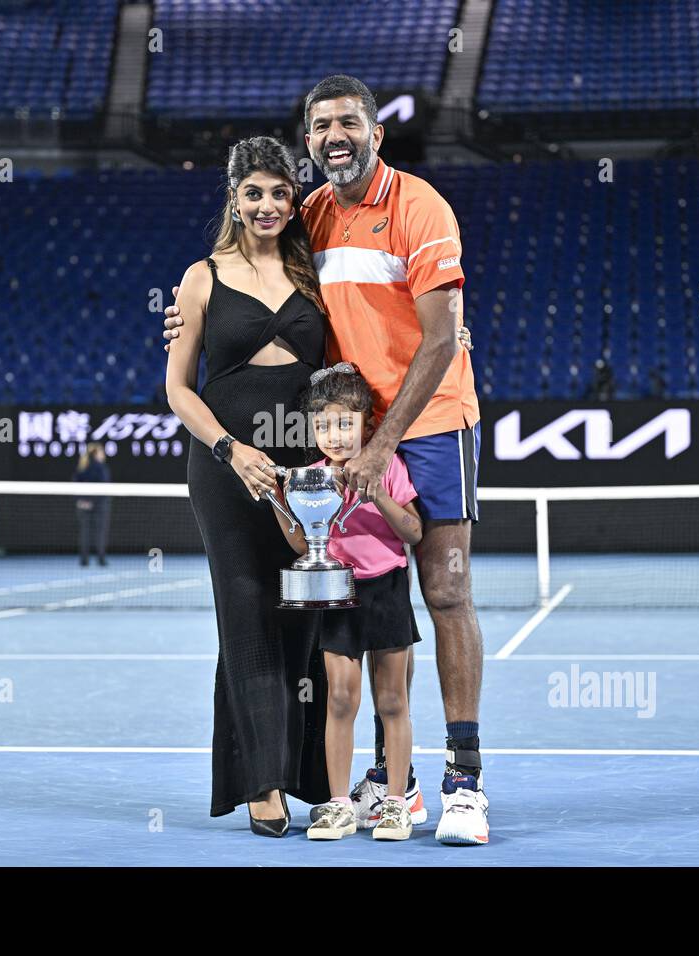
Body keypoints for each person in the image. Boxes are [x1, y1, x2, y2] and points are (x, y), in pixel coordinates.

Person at [165, 75, 490, 844]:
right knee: (356, 609)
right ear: (309, 141)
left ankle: (466, 781)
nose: (334, 134)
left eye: (348, 120)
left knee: (444, 593)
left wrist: (380, 447)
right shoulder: (310, 214)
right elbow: (250, 270)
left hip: (429, 425)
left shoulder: (420, 207)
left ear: (377, 130)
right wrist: (187, 313)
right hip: (342, 440)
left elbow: (443, 338)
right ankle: (390, 785)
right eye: (320, 125)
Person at [164, 136, 331, 836]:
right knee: (245, 617)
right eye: (253, 192)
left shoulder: (316, 273)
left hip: (307, 482)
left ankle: (313, 775)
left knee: (307, 624)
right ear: (234, 197)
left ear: (294, 200)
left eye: (280, 193)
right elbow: (177, 390)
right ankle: (263, 782)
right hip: (227, 472)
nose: (267, 205)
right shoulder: (200, 277)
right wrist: (233, 450)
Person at [269, 363, 424, 841]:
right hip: (338, 593)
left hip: (388, 591)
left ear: (366, 423)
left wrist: (378, 495)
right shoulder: (310, 478)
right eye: (322, 425)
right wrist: (280, 500)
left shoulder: (388, 466)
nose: (332, 436)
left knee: (392, 700)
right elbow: (301, 547)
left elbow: (414, 532)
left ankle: (396, 804)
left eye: (343, 423)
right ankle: (338, 805)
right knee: (339, 698)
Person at [73, 444, 111, 567]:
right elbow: (104, 486)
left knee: (85, 532)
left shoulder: (82, 467)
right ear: (96, 454)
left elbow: (75, 485)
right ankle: (101, 559)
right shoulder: (100, 468)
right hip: (99, 505)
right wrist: (91, 501)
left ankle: (84, 560)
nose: (103, 455)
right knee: (99, 532)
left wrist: (82, 500)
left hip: (84, 505)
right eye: (101, 452)